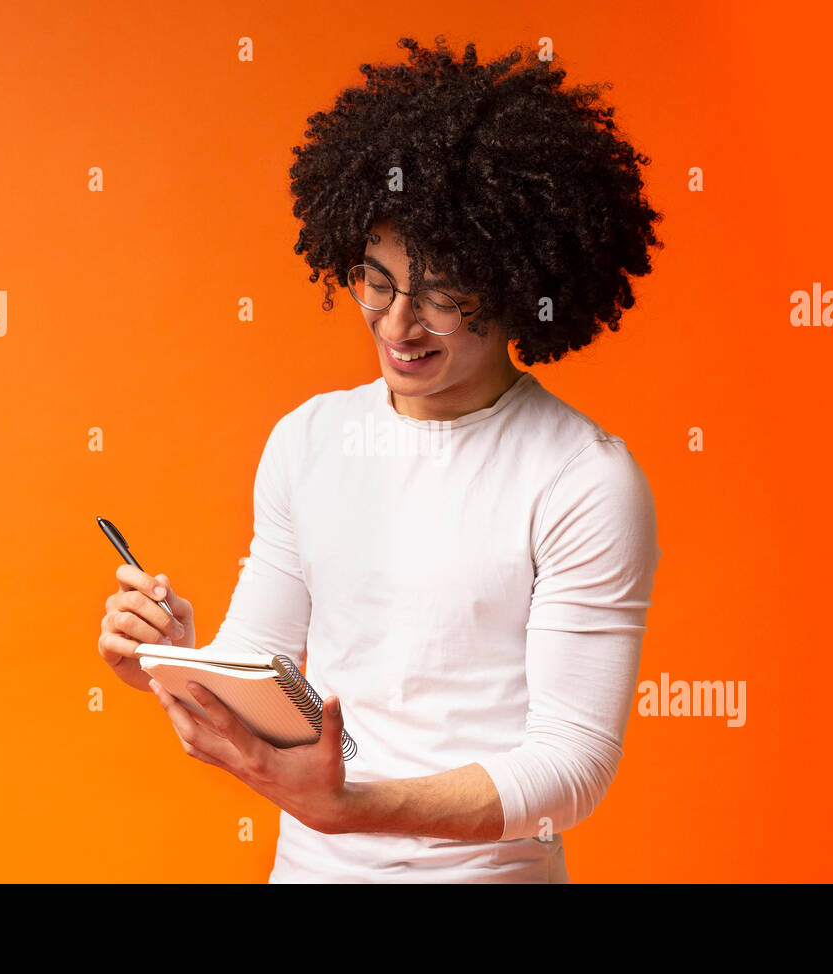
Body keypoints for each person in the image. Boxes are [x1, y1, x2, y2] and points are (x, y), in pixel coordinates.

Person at [98, 35, 664, 883]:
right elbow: (267, 675)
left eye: (443, 293)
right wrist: (177, 662)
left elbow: (571, 769)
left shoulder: (582, 479)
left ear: (516, 283)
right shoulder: (308, 439)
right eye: (376, 279)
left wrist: (351, 808)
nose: (400, 325)